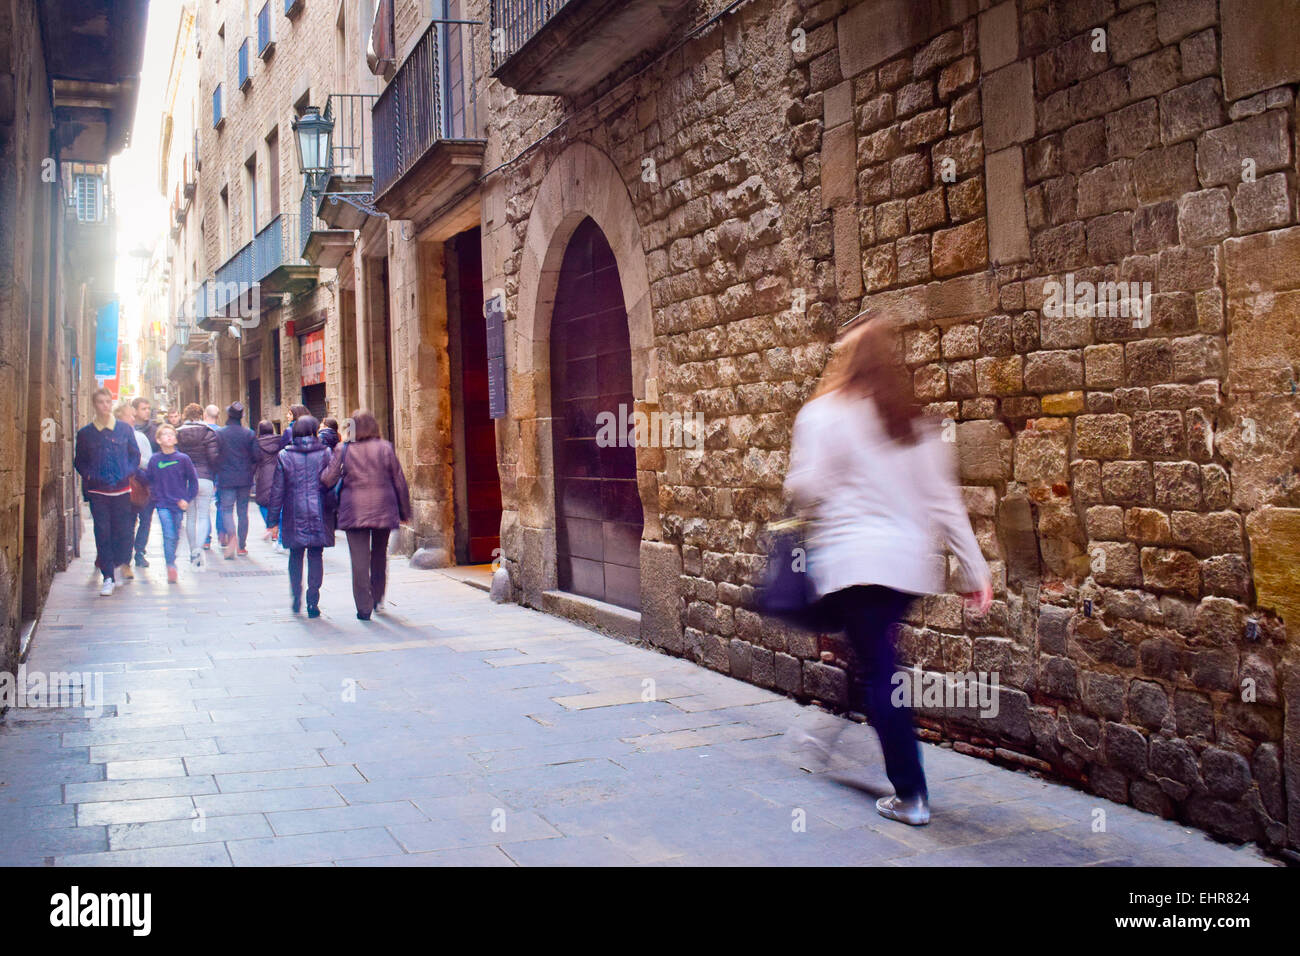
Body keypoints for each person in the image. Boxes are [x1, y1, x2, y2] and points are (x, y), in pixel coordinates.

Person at [783, 318, 992, 828]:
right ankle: (833, 734)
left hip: (854, 565)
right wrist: (976, 570)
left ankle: (911, 794)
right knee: (875, 658)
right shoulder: (914, 423)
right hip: (904, 571)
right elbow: (945, 503)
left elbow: (804, 490)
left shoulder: (823, 414)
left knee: (880, 670)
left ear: (845, 359)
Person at [322, 410, 410, 621]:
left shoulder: (343, 449)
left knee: (359, 560)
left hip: (354, 510)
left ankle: (364, 607)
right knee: (379, 554)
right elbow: (399, 480)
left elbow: (328, 479)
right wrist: (404, 510)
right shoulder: (385, 448)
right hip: (383, 507)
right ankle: (378, 596)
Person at [74, 387, 141, 596]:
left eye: (108, 401)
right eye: (101, 402)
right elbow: (80, 461)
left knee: (123, 530)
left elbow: (135, 455)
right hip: (98, 492)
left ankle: (121, 561)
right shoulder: (86, 433)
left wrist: (126, 472)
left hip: (121, 490)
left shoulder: (124, 430)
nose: (105, 405)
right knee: (102, 532)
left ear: (111, 404)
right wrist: (90, 475)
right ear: (95, 404)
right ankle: (108, 576)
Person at [268, 415, 334, 617]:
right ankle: (313, 600)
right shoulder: (325, 453)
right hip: (318, 511)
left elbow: (277, 489)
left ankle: (296, 597)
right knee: (316, 555)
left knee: (295, 556)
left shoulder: (284, 455)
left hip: (293, 511)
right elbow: (331, 484)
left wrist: (272, 520)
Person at [143, 423, 199, 584]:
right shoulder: (155, 460)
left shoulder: (183, 459)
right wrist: (155, 496)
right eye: (165, 434)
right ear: (158, 440)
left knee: (175, 535)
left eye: (171, 434)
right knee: (168, 534)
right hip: (162, 504)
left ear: (175, 439)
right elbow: (149, 480)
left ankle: (172, 557)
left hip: (179, 504)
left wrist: (187, 499)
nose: (169, 437)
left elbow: (193, 482)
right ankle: (171, 566)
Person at [113, 401, 154, 577]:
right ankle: (124, 560)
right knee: (127, 525)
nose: (133, 418)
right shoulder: (112, 436)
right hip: (122, 486)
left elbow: (148, 461)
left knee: (142, 521)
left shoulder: (141, 437)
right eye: (130, 415)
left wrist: (136, 465)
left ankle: (137, 554)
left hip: (140, 485)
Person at [176, 402, 218, 569]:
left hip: (186, 480)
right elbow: (214, 457)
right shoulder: (208, 432)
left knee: (191, 517)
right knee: (203, 515)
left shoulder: (177, 433)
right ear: (201, 415)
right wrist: (213, 476)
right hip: (205, 477)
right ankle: (199, 549)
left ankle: (193, 549)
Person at [214, 402, 256, 559]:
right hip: (245, 478)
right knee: (242, 512)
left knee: (226, 510)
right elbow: (256, 456)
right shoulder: (249, 434)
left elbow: (215, 455)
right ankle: (242, 547)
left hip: (226, 477)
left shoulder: (220, 434)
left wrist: (218, 470)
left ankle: (232, 536)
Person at [129, 397, 159, 566]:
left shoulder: (155, 432)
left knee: (146, 519)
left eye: (148, 408)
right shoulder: (126, 430)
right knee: (130, 520)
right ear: (134, 411)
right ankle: (126, 552)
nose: (147, 411)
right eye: (143, 408)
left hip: (148, 483)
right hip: (132, 481)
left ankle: (140, 552)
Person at [253, 420, 283, 545]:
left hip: (263, 476)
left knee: (262, 503)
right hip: (278, 474)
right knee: (279, 504)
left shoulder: (256, 443)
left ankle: (271, 526)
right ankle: (278, 529)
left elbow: (254, 460)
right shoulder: (280, 441)